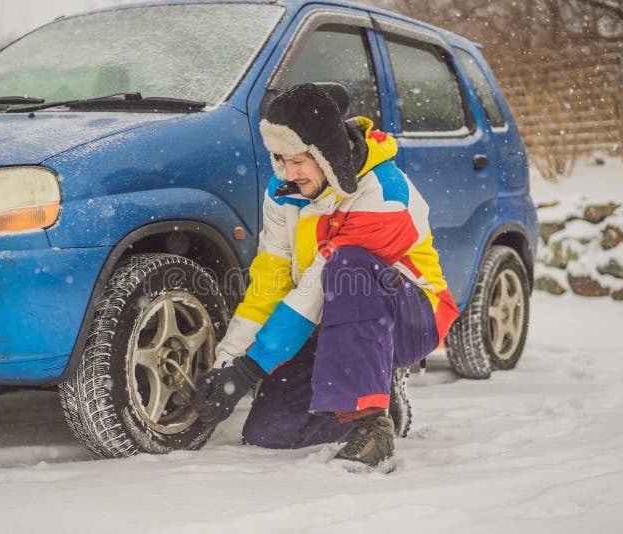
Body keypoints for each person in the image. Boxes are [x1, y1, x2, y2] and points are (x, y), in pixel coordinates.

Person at [192, 83, 459, 468]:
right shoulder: (284, 190)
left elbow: (316, 287)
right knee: (269, 432)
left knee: (348, 266)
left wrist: (250, 369)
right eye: (280, 159)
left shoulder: (384, 193)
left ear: (327, 153)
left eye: (298, 160)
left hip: (409, 316)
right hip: (331, 321)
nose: (288, 172)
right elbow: (271, 280)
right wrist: (227, 365)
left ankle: (371, 425)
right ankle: (379, 393)